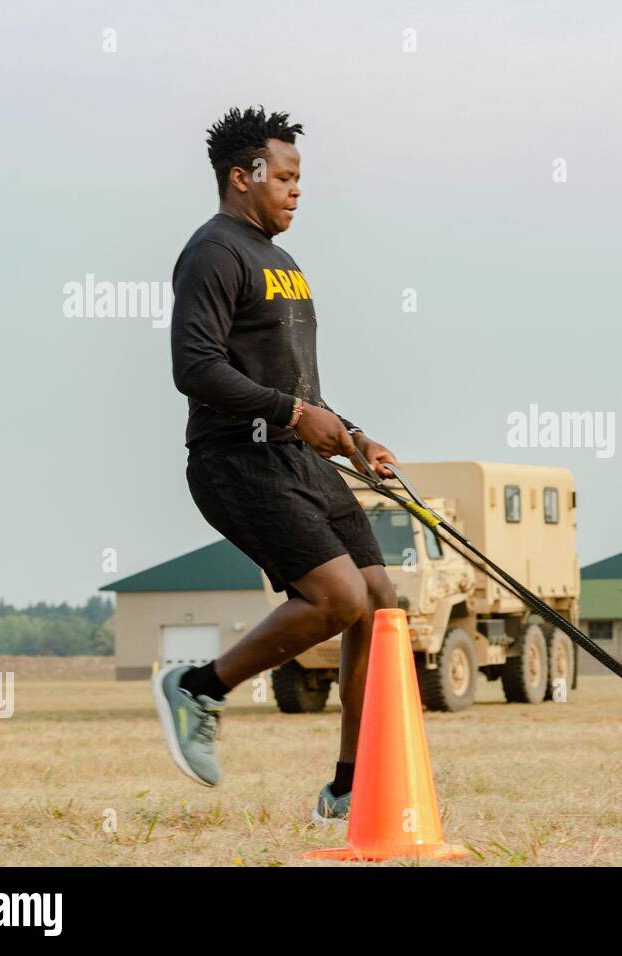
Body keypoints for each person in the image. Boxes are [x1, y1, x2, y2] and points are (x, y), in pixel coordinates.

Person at [153, 106, 397, 824]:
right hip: (237, 459)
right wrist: (295, 417)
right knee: (337, 597)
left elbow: (299, 390)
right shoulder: (214, 252)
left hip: (301, 458)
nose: (297, 190)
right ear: (241, 176)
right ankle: (198, 687)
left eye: (300, 178)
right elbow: (194, 366)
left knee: (379, 602)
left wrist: (354, 437)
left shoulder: (282, 264)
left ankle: (350, 784)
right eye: (284, 177)